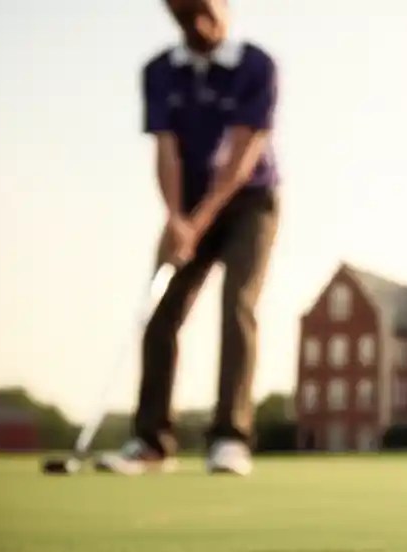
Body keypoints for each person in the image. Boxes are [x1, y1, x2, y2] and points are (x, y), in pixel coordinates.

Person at [97, 0, 279, 476]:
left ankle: (230, 439)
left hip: (250, 202)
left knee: (238, 303)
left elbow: (242, 156)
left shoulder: (255, 65)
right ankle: (151, 440)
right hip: (186, 205)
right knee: (163, 310)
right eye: (183, 15)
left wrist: (197, 222)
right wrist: (176, 218)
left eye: (204, 10)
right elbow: (167, 152)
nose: (197, 24)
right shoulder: (160, 71)